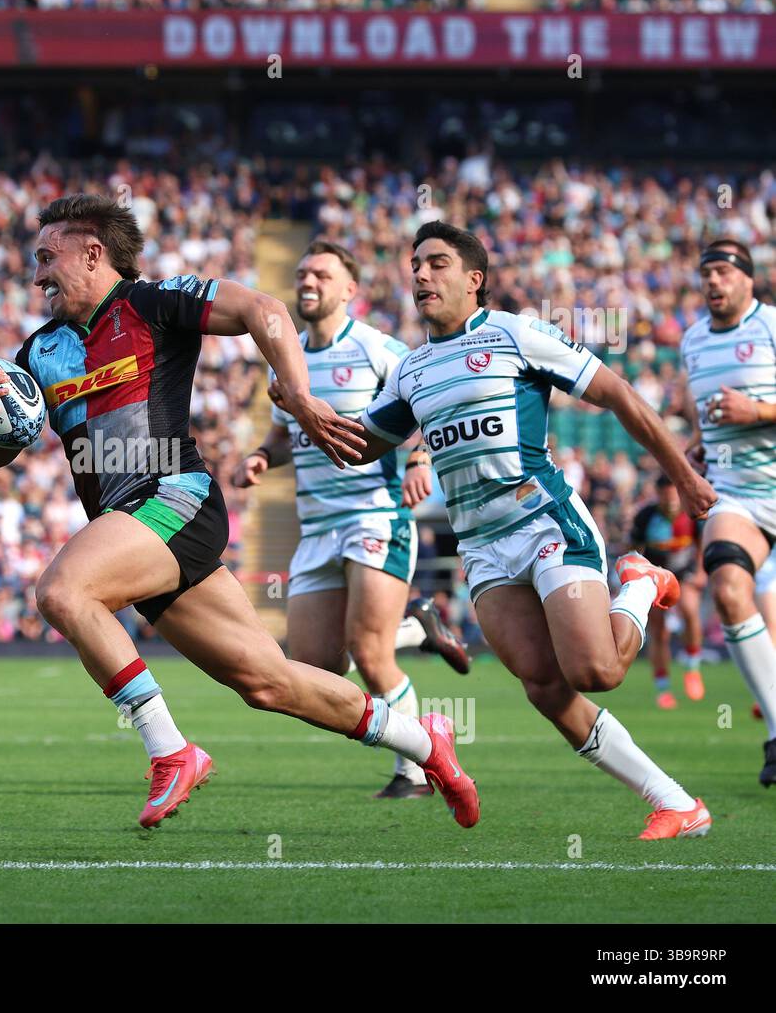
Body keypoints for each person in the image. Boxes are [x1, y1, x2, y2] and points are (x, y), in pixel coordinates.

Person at [0, 193, 479, 830]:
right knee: (269, 681)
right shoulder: (39, 353)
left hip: (173, 496)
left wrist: (299, 397)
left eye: (47, 258)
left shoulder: (155, 302)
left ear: (93, 253)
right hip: (133, 527)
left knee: (62, 591)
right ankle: (425, 742)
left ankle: (171, 751)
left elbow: (262, 309)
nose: (36, 276)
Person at [341, 220, 715, 839]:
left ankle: (642, 585)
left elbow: (618, 393)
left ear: (474, 279)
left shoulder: (515, 333)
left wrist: (680, 475)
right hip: (481, 547)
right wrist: (303, 406)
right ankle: (676, 802)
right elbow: (359, 446)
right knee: (544, 687)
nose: (421, 275)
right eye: (415, 266)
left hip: (543, 520)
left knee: (596, 672)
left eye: (436, 263)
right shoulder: (410, 370)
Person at [233, 238, 470, 800]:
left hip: (375, 514)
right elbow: (285, 432)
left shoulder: (375, 347)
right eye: (302, 272)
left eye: (321, 273)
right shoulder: (288, 360)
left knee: (370, 654)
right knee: (314, 671)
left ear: (349, 289)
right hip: (316, 526)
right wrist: (264, 455)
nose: (308, 281)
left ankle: (414, 772)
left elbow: (428, 403)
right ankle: (420, 628)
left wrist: (420, 456)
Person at [680, 239, 776, 786]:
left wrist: (756, 410)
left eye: (723, 272)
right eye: (706, 273)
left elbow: (745, 405)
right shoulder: (694, 341)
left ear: (748, 280)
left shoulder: (771, 327)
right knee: (728, 586)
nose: (713, 282)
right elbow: (713, 411)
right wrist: (699, 442)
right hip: (741, 494)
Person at [629, 475, 705, 709]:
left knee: (690, 610)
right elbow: (634, 549)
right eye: (666, 495)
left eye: (674, 495)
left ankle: (692, 668)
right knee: (659, 632)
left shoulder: (691, 514)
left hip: (684, 573)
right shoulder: (646, 516)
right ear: (659, 494)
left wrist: (702, 571)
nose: (671, 500)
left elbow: (702, 542)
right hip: (656, 577)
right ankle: (663, 689)